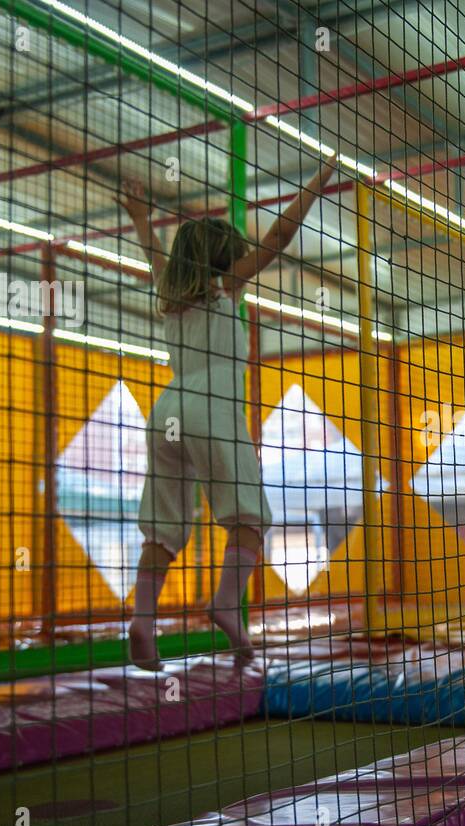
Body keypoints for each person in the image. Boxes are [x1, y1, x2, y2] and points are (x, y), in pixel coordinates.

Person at [118, 158, 337, 670]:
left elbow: (154, 254)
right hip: (211, 408)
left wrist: (139, 218)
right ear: (224, 260)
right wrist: (317, 181)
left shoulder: (172, 296)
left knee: (163, 527)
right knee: (249, 517)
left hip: (167, 408)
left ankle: (143, 619)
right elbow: (278, 238)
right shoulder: (223, 291)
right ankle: (225, 604)